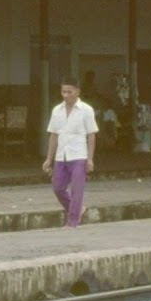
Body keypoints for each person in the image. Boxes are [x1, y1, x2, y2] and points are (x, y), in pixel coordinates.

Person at [42, 76, 99, 228]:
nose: (66, 95)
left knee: (76, 190)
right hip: (61, 156)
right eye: (63, 92)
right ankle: (78, 209)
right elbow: (53, 135)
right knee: (58, 188)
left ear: (78, 91)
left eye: (69, 92)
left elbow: (91, 135)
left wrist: (90, 159)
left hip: (79, 155)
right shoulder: (57, 110)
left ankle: (72, 222)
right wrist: (48, 158)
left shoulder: (86, 110)